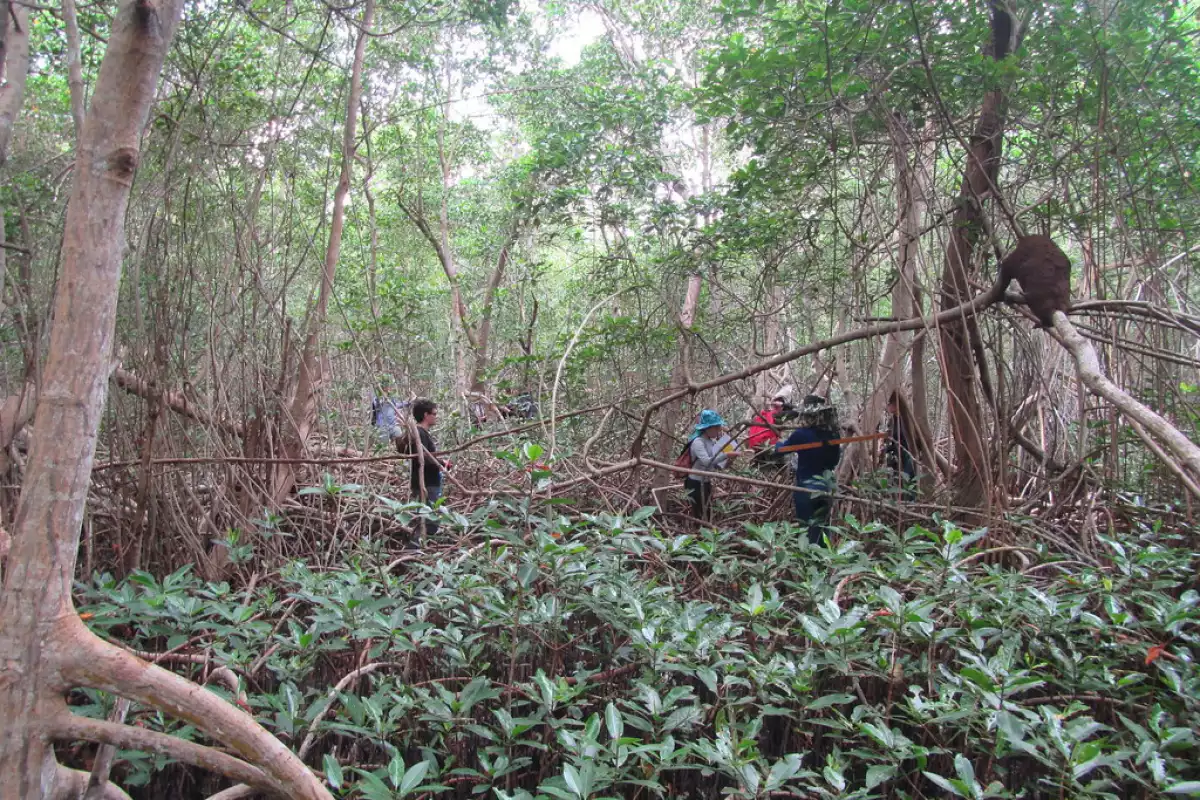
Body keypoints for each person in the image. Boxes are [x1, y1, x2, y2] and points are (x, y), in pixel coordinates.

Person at [777, 395, 841, 545]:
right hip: (826, 486)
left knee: (806, 529)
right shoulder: (833, 434)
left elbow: (781, 451)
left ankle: (808, 562)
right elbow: (835, 461)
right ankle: (823, 561)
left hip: (806, 488)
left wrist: (777, 444)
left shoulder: (800, 435)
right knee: (823, 527)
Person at [407, 398, 449, 547]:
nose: (436, 417)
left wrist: (441, 463)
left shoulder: (421, 433)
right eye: (434, 414)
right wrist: (440, 463)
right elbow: (424, 457)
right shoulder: (419, 433)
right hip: (426, 482)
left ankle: (423, 544)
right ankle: (413, 549)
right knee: (424, 516)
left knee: (428, 515)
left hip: (427, 481)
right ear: (426, 415)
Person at [684, 409, 738, 522]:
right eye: (716, 427)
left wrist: (729, 460)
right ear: (707, 428)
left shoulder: (710, 441)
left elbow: (716, 465)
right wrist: (726, 454)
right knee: (699, 514)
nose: (719, 430)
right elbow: (707, 462)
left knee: (707, 512)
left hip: (706, 482)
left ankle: (704, 534)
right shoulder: (698, 442)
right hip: (695, 483)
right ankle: (697, 535)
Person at [882, 391, 917, 499]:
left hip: (909, 454)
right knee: (902, 480)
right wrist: (886, 449)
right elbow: (896, 440)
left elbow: (904, 438)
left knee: (908, 480)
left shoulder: (904, 419)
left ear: (896, 405)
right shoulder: (894, 420)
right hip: (900, 454)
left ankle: (912, 504)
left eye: (889, 404)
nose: (887, 407)